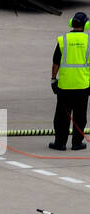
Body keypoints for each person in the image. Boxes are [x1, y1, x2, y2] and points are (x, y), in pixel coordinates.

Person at [50, 13, 90, 151]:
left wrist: (53, 79)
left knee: (62, 116)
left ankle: (60, 143)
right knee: (80, 117)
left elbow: (55, 63)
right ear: (86, 25)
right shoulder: (89, 41)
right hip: (83, 86)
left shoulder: (63, 40)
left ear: (72, 23)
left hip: (65, 86)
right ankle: (77, 143)